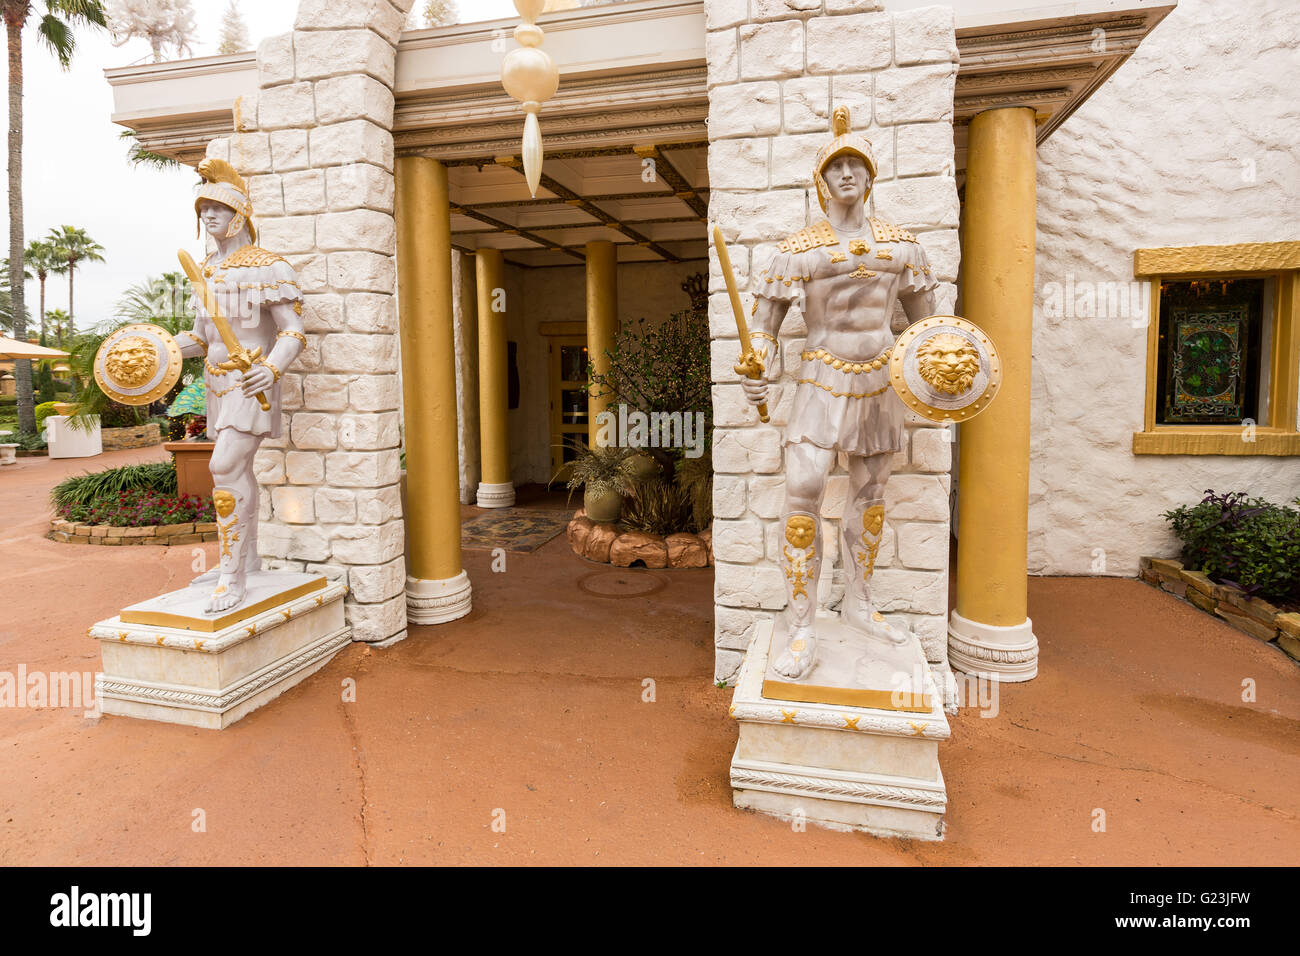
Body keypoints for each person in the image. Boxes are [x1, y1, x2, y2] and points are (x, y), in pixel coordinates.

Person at [743, 106, 940, 680]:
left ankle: (858, 601)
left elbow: (928, 332)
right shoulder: (796, 250)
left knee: (871, 492)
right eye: (836, 166)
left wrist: (940, 384)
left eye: (857, 163)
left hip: (880, 376)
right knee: (803, 490)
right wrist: (759, 364)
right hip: (820, 377)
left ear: (871, 177)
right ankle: (801, 620)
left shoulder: (904, 247)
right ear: (821, 181)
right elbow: (765, 329)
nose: (847, 173)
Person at [175, 159, 306, 613]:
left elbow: (292, 331)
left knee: (224, 468)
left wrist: (271, 369)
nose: (208, 216)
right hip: (216, 383)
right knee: (236, 471)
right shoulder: (205, 269)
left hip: (251, 382)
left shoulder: (269, 266)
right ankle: (246, 561)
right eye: (202, 209)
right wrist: (158, 349)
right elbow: (197, 336)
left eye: (216, 208)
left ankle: (231, 579)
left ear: (240, 215)